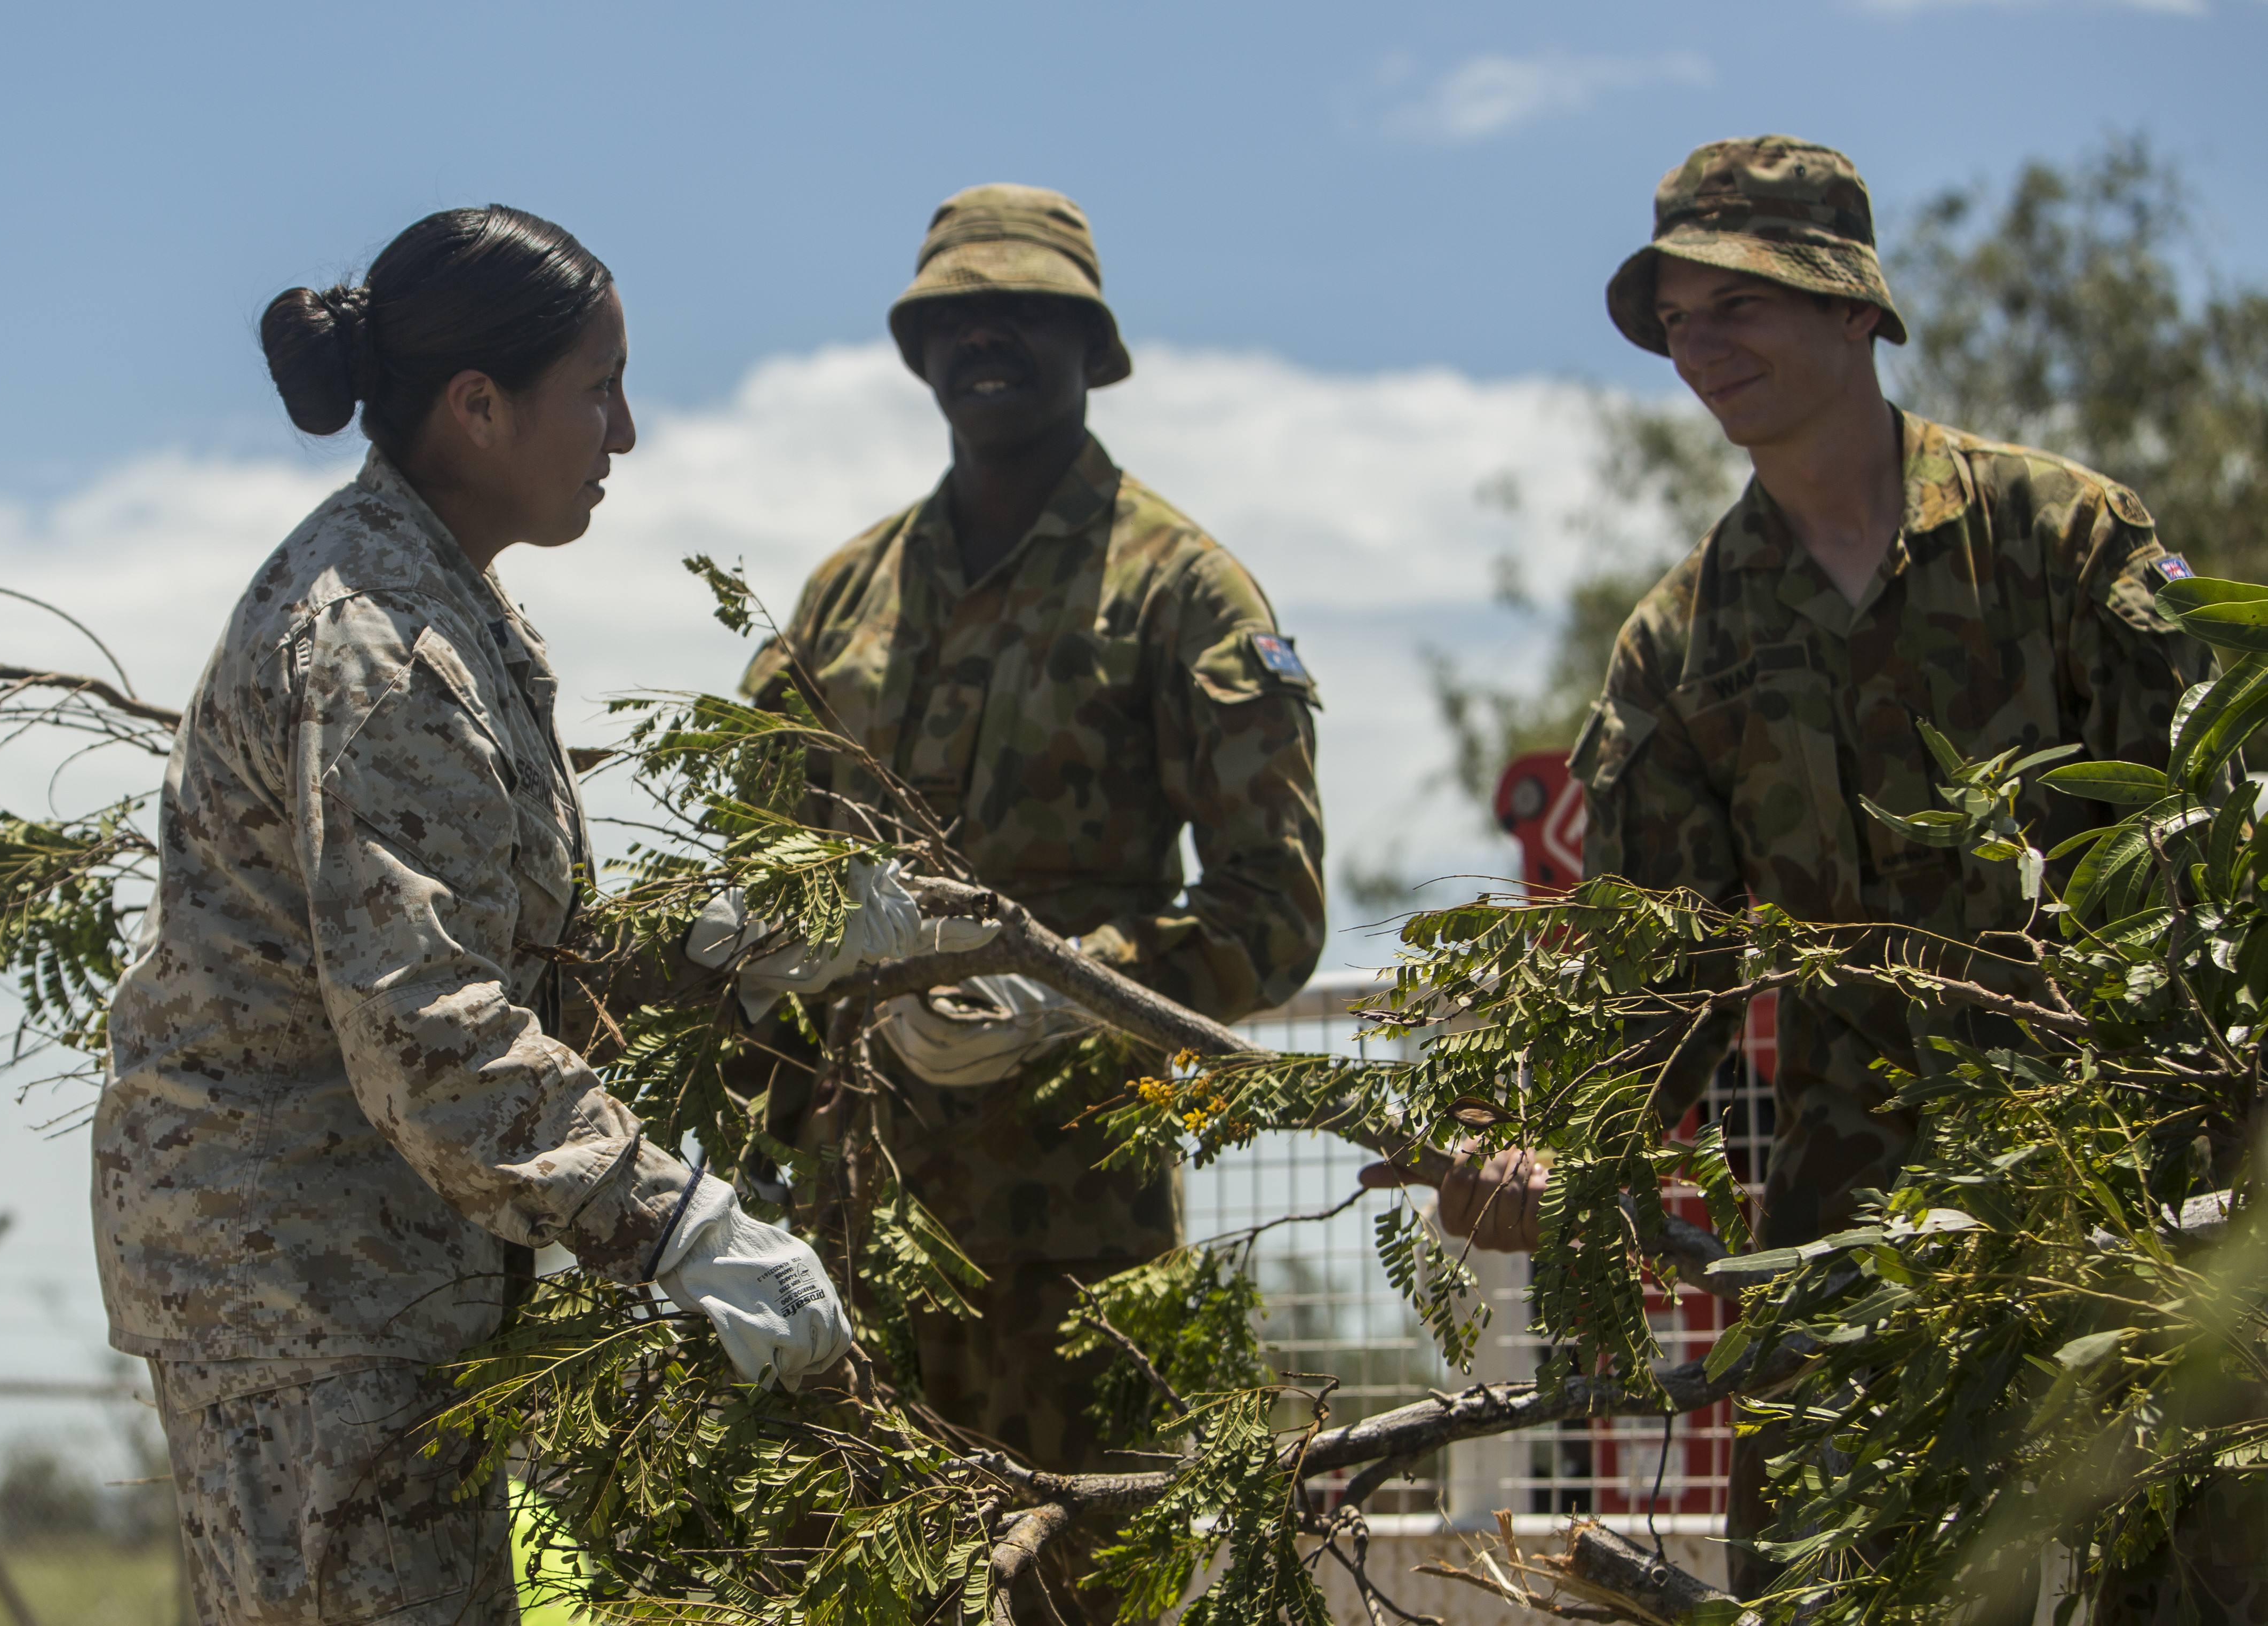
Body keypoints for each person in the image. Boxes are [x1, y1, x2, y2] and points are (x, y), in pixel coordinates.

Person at [1365, 136, 2214, 1598]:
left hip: (2130, 1166)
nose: (1698, 348)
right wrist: (1555, 1147)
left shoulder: (2064, 540)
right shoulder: (1683, 639)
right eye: (1676, 320)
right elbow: (1661, 977)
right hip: (1855, 1202)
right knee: (1843, 1581)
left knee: (2191, 1563)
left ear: (1848, 311)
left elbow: (2198, 862)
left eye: (1735, 304)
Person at [93, 206, 850, 1626]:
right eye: (597, 390)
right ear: (478, 406)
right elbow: (425, 1026)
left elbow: (505, 958)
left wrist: (724, 945)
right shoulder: (378, 645)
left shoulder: (453, 610)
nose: (623, 434)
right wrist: (672, 1221)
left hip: (367, 1283)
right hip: (303, 1295)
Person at [740, 183, 1326, 1619]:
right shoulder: (839, 600)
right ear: (916, 348)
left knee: (1084, 1602)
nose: (984, 336)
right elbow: (753, 890)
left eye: (1023, 310)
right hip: (851, 1226)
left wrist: (1056, 989)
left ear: (1090, 344)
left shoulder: (1182, 592)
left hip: (1080, 1241)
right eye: (954, 314)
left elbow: (1272, 909)